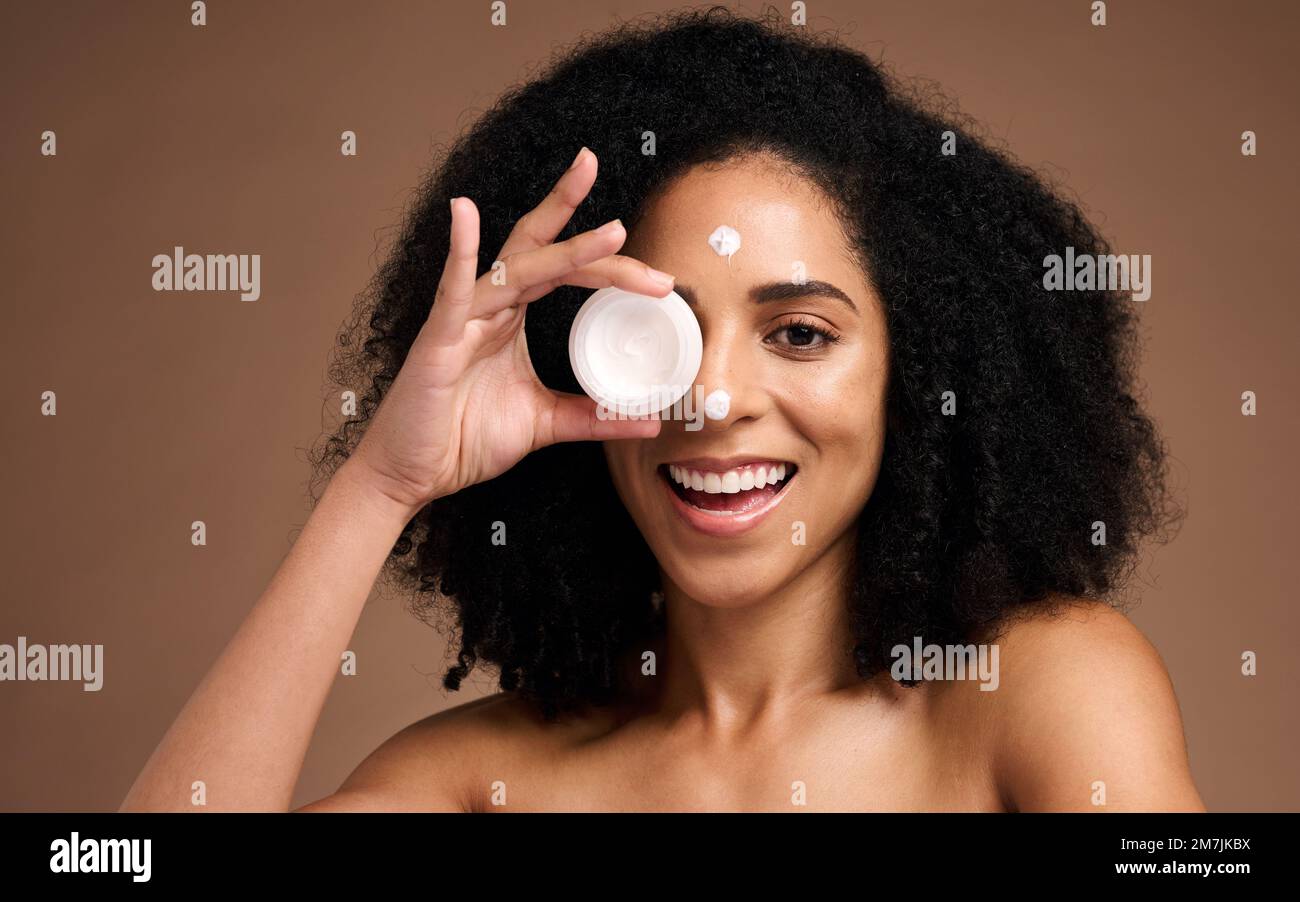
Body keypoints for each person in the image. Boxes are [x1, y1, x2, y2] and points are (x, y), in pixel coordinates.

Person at [122, 8, 1202, 812]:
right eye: (657, 336)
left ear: (914, 377)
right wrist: (380, 486)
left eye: (800, 333)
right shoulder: (480, 782)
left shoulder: (1042, 690)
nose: (713, 398)